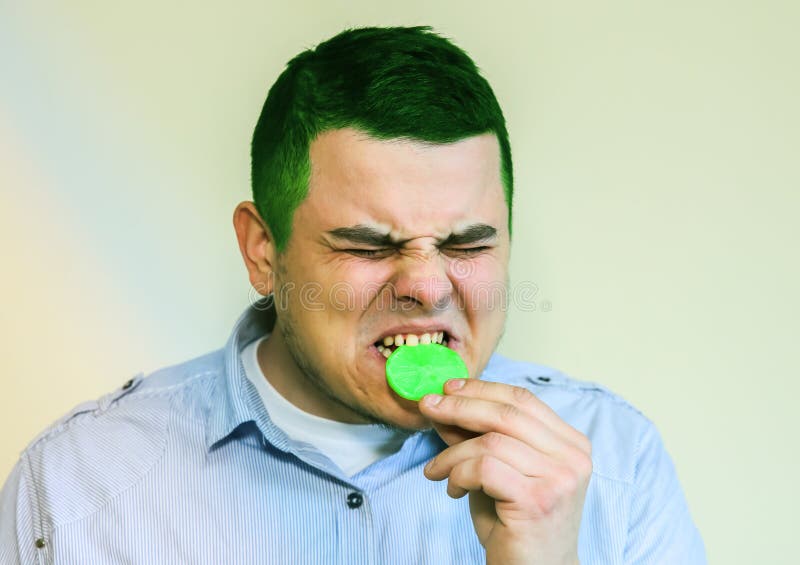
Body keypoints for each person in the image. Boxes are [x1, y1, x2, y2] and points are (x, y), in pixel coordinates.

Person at [0, 26, 705, 564]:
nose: (426, 286)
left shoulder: (617, 464)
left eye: (467, 245)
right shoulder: (76, 486)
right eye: (368, 247)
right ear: (263, 251)